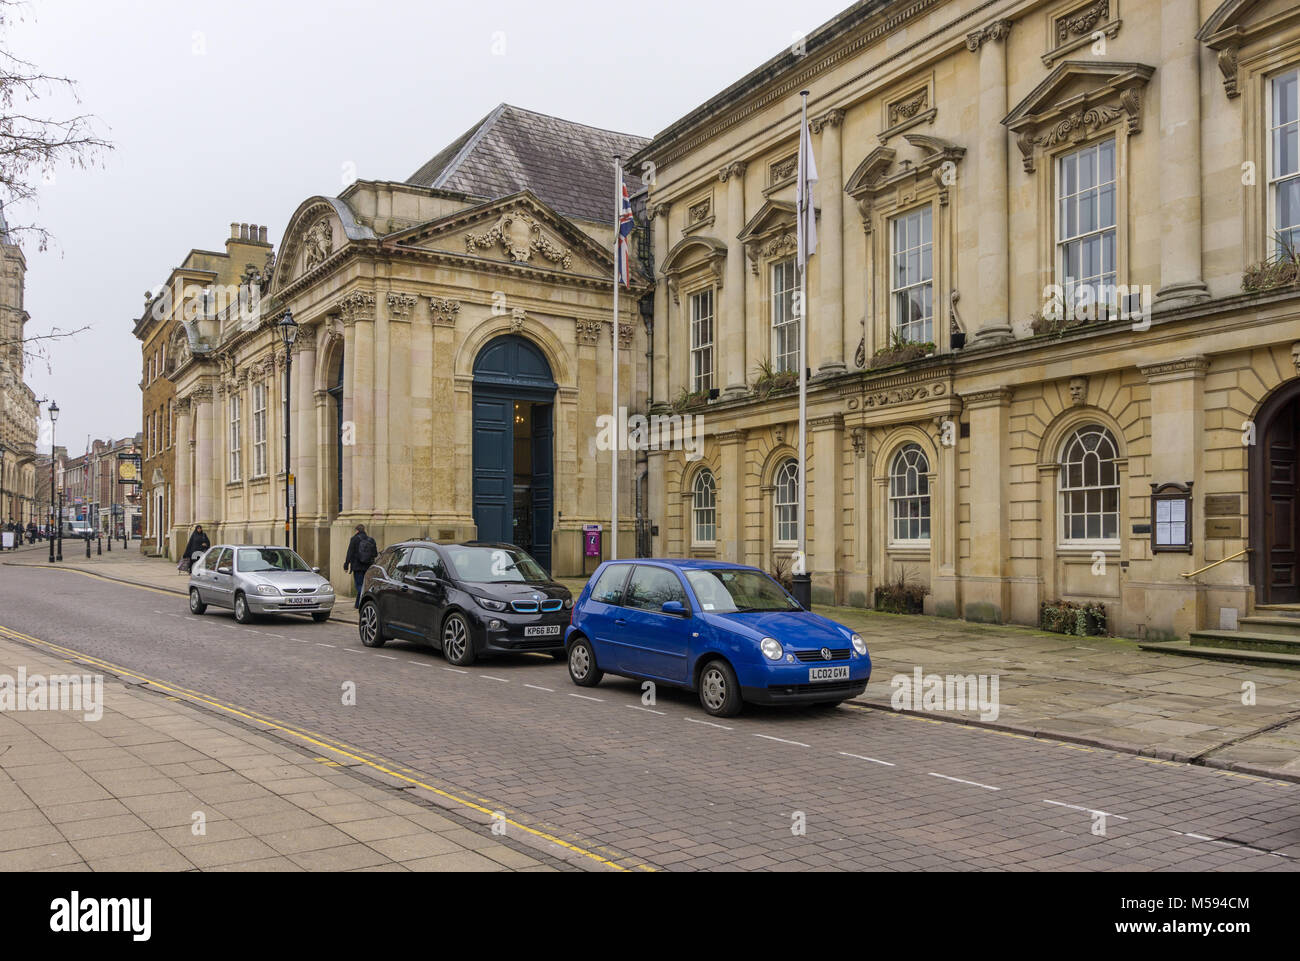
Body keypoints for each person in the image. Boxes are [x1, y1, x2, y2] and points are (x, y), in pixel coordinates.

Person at [343, 524, 378, 608]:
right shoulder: (371, 540)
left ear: (357, 531)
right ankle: (357, 604)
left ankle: (362, 602)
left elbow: (350, 553)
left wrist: (346, 565)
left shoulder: (354, 539)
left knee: (359, 586)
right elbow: (375, 554)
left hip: (357, 566)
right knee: (365, 584)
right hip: (368, 566)